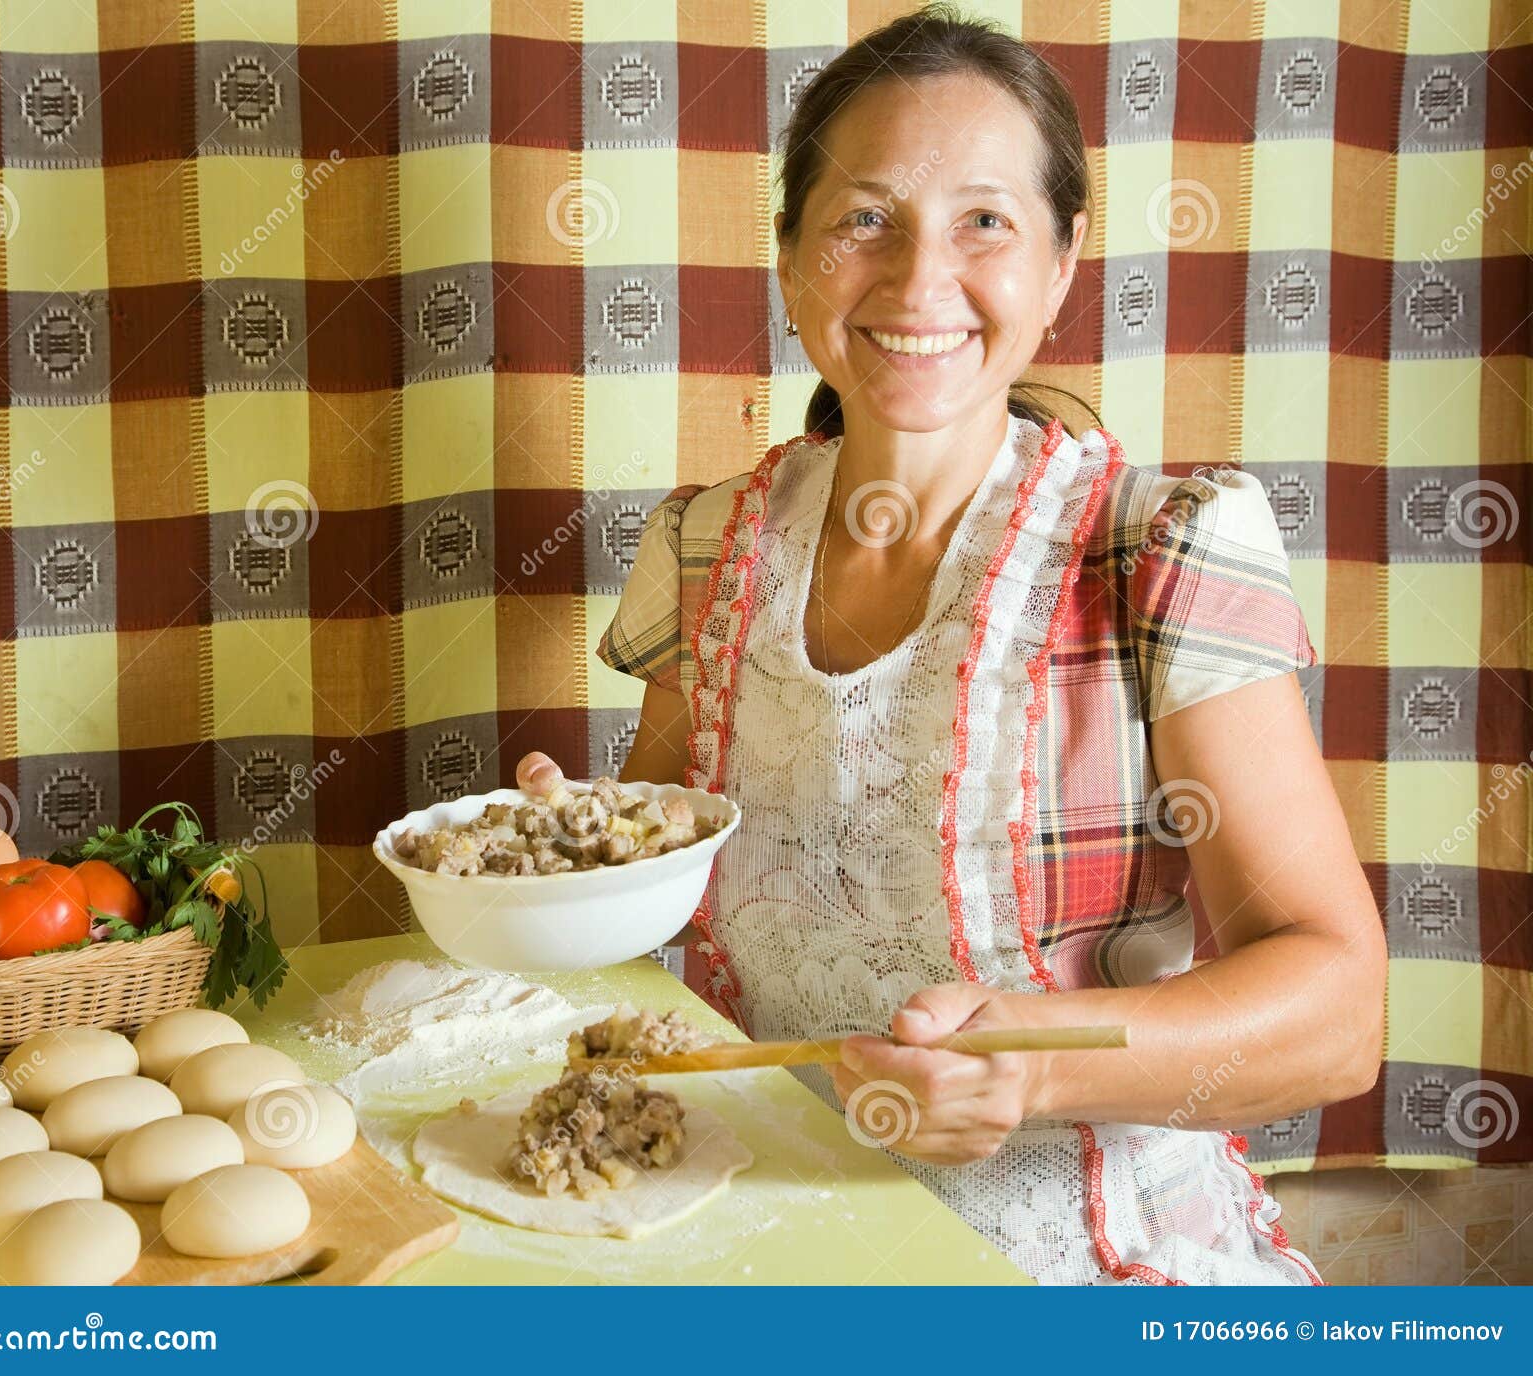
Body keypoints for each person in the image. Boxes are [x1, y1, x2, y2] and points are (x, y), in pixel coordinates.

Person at [520, 6, 1383, 1284]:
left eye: (984, 220)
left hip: (1079, 1268)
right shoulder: (706, 545)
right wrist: (556, 853)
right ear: (793, 256)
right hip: (769, 1228)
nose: (919, 281)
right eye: (865, 218)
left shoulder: (1160, 548)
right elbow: (667, 856)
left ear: (1060, 260)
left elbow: (1337, 1013)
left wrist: (1028, 1066)